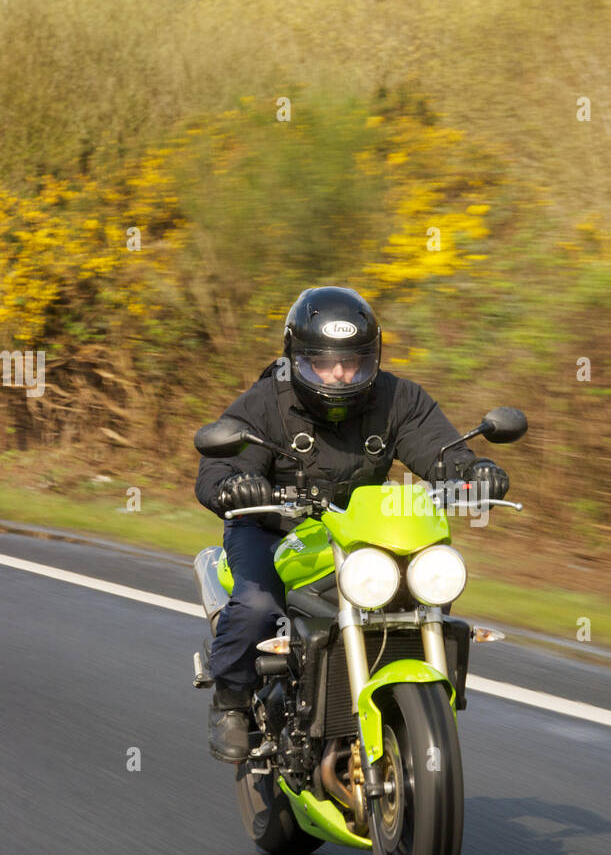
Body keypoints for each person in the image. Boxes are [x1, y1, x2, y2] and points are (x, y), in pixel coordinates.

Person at [195, 286, 510, 762]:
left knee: (423, 589)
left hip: (362, 535)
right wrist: (236, 485)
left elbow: (443, 453)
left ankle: (409, 708)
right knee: (259, 605)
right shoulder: (265, 402)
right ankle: (232, 702)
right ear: (295, 357)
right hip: (272, 526)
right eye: (323, 363)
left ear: (373, 355)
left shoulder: (398, 398)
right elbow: (219, 465)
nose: (340, 374)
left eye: (354, 361)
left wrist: (473, 474)